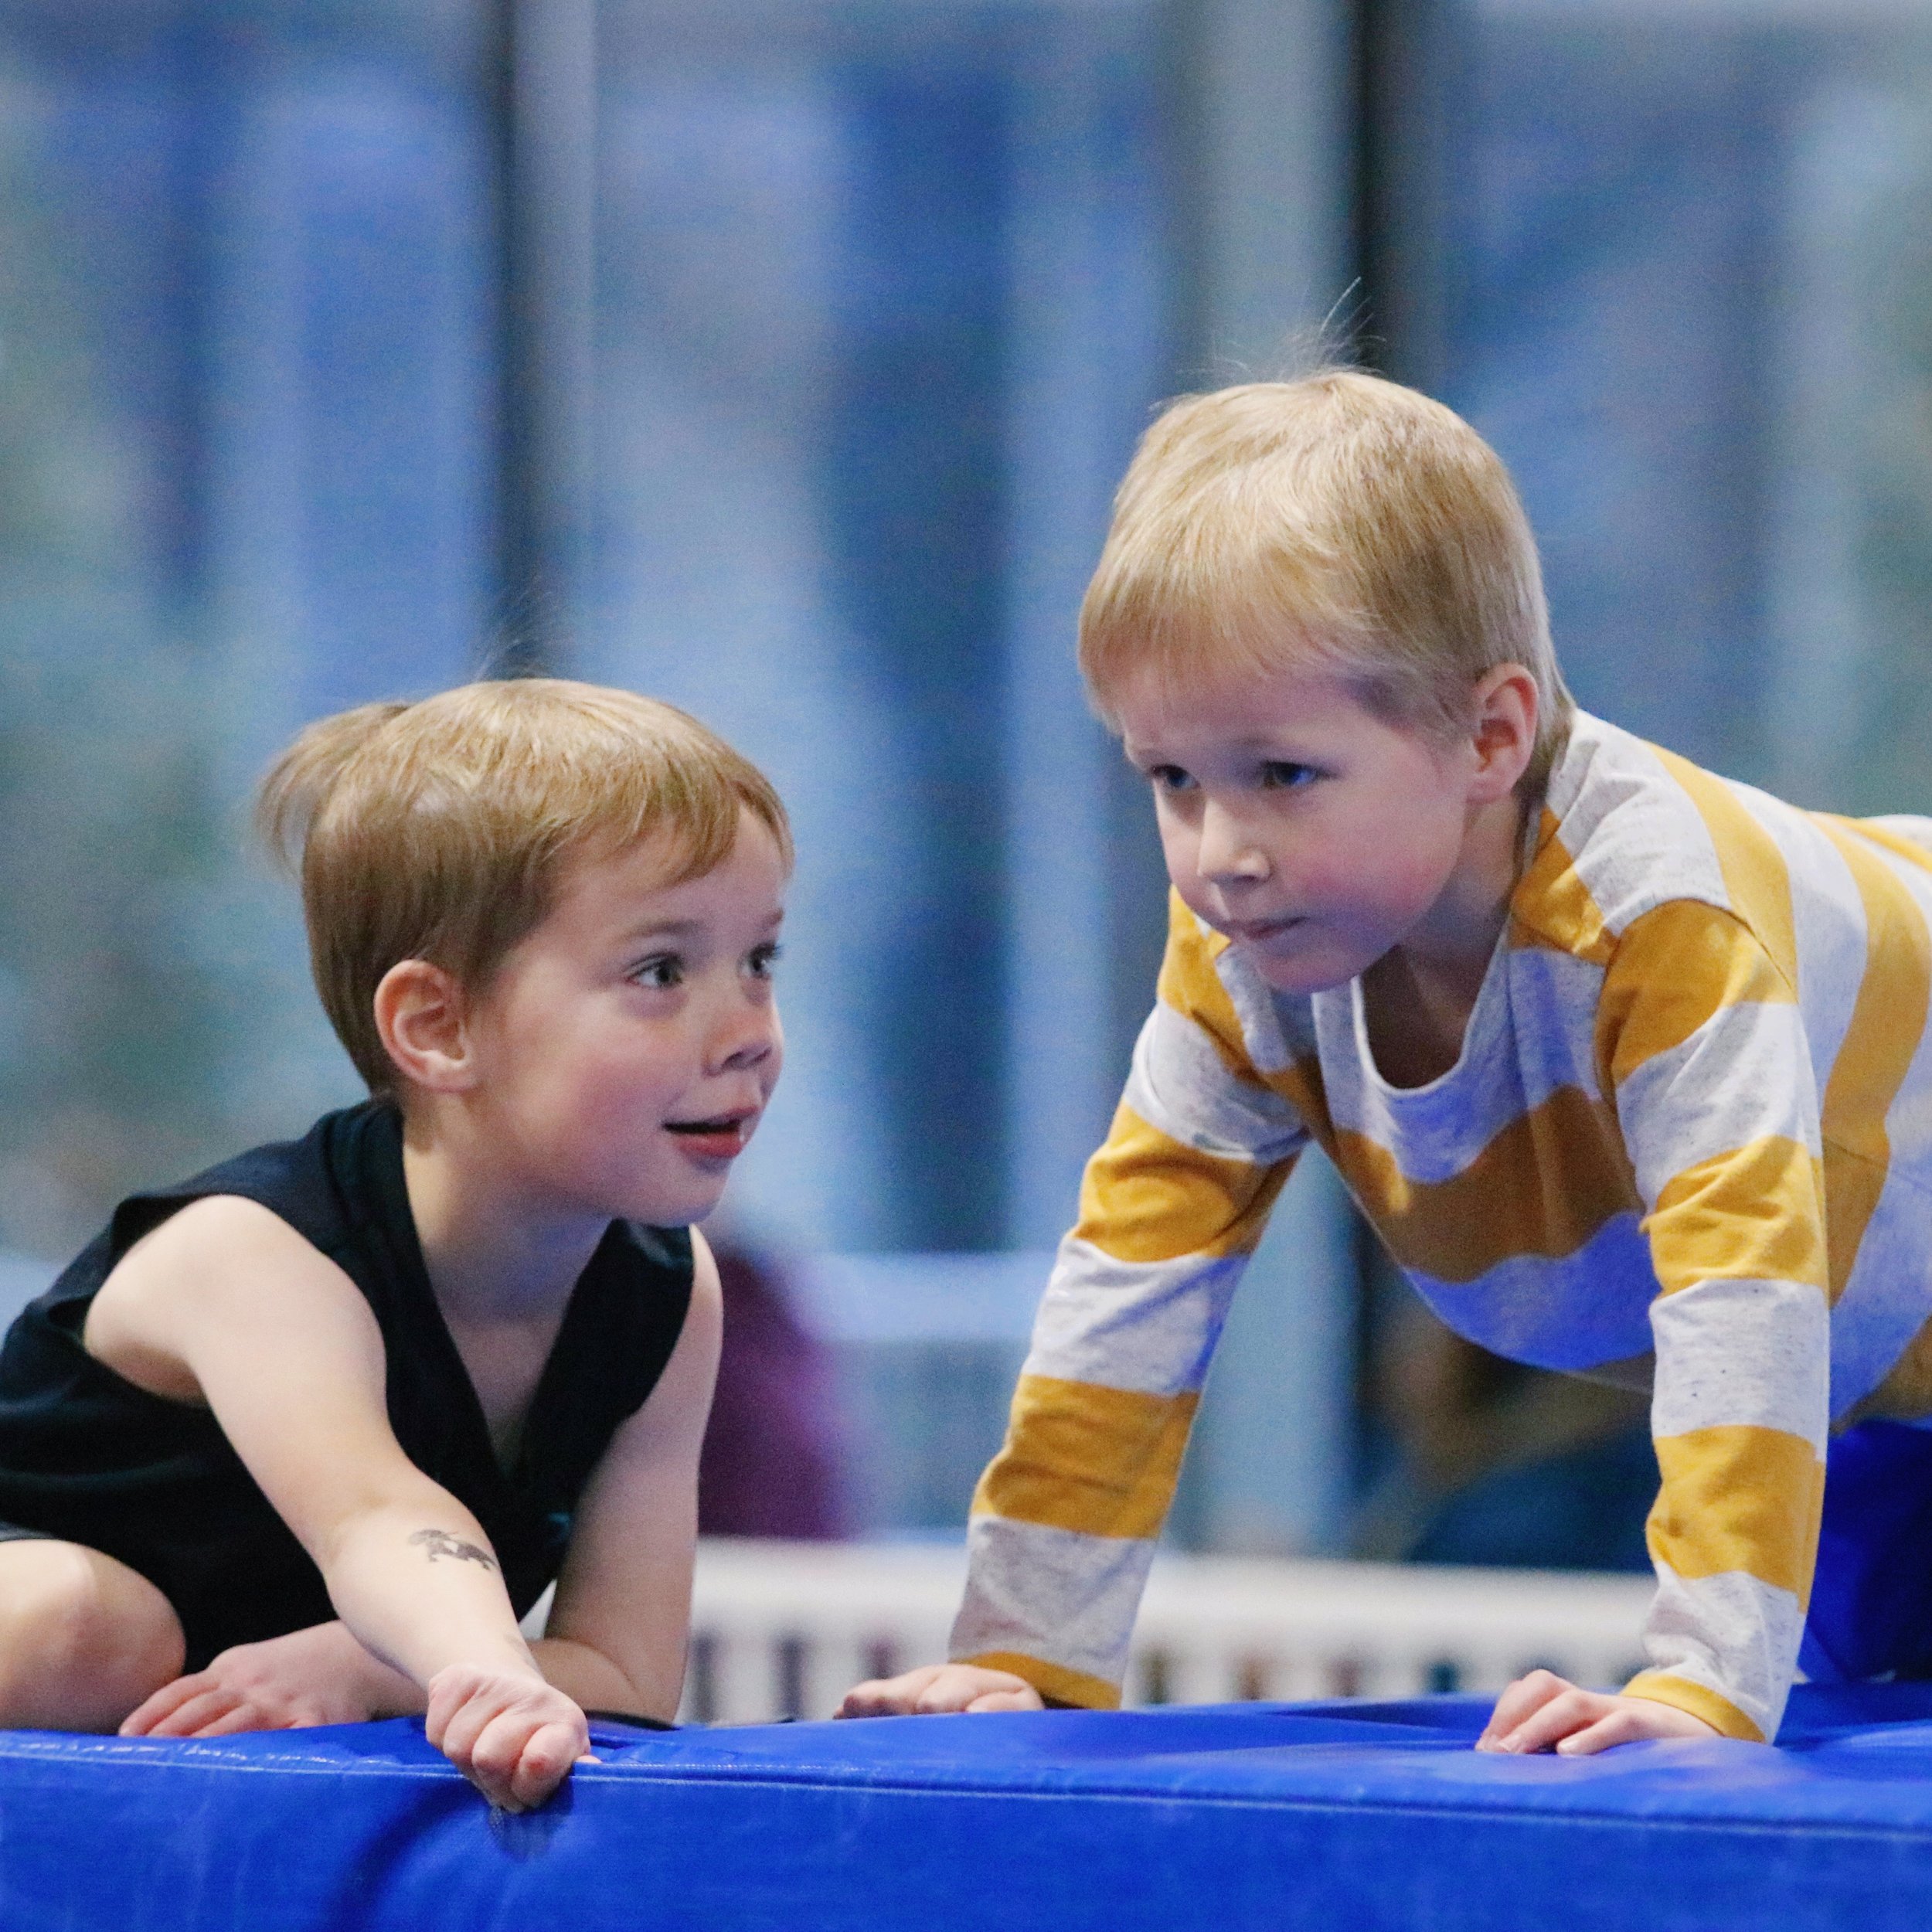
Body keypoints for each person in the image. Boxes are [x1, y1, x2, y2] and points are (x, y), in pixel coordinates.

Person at [841, 368, 1932, 1753]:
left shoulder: (1666, 927)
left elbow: (1745, 1304)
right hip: (1881, 1368)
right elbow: (1132, 1288)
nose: (1219, 852)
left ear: (1489, 735)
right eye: (1171, 779)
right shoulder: (1250, 944)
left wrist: (1701, 1686)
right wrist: (1024, 1656)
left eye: (1282, 774)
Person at [0, 679, 789, 1809]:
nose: (747, 1034)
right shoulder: (257, 1255)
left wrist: (366, 1666)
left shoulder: (669, 1294)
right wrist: (467, 1663)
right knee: (92, 1627)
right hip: (43, 1601)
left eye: (760, 959)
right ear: (438, 1027)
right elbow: (379, 1513)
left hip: (213, 1702)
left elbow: (622, 1676)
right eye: (660, 972)